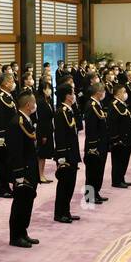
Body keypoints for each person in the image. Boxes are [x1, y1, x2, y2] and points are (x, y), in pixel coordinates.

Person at [7, 91, 39, 248]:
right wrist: (19, 175)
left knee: (28, 203)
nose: (35, 105)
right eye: (34, 103)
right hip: (23, 171)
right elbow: (15, 152)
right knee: (20, 203)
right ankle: (15, 235)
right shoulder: (17, 122)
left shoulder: (26, 120)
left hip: (30, 169)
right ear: (28, 105)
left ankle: (23, 232)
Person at [52, 85, 81, 224]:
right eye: (73, 93)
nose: (74, 95)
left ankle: (66, 211)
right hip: (66, 154)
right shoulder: (61, 112)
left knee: (71, 184)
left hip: (72, 152)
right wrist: (61, 157)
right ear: (68, 96)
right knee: (64, 185)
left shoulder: (69, 110)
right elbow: (60, 136)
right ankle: (59, 213)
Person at [83, 82, 110, 205]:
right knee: (92, 172)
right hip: (95, 144)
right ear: (98, 93)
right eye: (103, 91)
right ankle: (89, 196)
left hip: (101, 142)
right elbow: (91, 128)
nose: (104, 93)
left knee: (99, 170)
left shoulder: (98, 104)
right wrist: (93, 145)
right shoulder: (91, 106)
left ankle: (96, 192)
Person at [108, 83, 131, 188]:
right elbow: (112, 124)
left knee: (124, 160)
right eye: (124, 92)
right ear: (118, 94)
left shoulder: (121, 104)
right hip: (120, 139)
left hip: (127, 137)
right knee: (118, 161)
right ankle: (116, 181)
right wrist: (116, 139)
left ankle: (121, 178)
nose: (125, 94)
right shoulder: (114, 105)